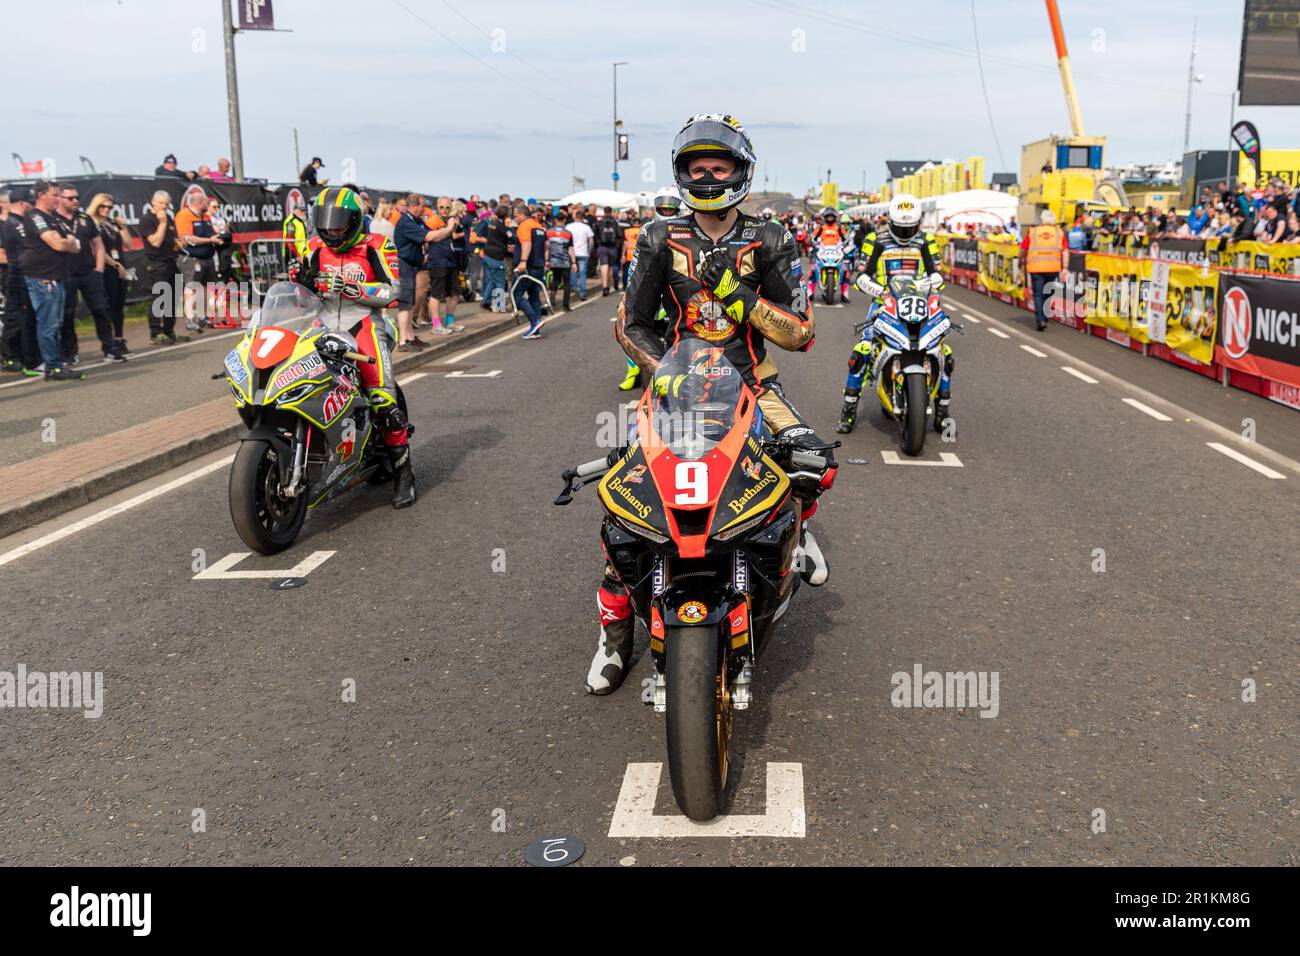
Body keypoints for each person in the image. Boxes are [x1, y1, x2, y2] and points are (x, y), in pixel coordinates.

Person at [590, 112, 836, 695]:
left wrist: (739, 295)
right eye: (696, 167)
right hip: (673, 388)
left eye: (717, 166)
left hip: (753, 382)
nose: (706, 175)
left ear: (739, 172)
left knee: (813, 463)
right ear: (681, 174)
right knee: (629, 510)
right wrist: (664, 373)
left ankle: (796, 531)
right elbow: (633, 324)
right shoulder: (656, 237)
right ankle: (613, 638)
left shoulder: (772, 239)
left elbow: (800, 333)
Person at [292, 187, 414, 508]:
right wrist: (300, 280)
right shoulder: (314, 245)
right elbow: (301, 293)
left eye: (339, 223)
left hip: (365, 325)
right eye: (326, 222)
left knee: (382, 399)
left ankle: (404, 474)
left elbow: (393, 292)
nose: (332, 230)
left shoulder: (377, 244)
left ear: (356, 220)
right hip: (323, 324)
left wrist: (353, 288)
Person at [837, 192, 947, 433]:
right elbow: (861, 276)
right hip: (884, 303)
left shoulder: (927, 240)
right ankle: (848, 411)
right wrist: (882, 291)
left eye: (911, 228)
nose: (907, 234)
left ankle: (942, 411)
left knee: (942, 352)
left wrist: (931, 284)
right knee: (862, 353)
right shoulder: (875, 239)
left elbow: (936, 273)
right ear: (891, 222)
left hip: (920, 303)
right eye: (901, 228)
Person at [20, 182, 83, 380]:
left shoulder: (52, 218)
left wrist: (68, 243)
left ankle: (55, 363)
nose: (58, 199)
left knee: (55, 323)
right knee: (48, 324)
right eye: (54, 195)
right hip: (43, 278)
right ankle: (53, 367)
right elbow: (57, 243)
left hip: (56, 276)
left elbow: (74, 245)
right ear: (41, 195)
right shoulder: (36, 216)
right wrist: (68, 243)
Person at [57, 184, 124, 363]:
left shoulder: (85, 218)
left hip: (89, 272)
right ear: (60, 199)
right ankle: (70, 352)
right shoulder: (53, 220)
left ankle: (109, 349)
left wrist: (99, 270)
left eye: (77, 197)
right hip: (66, 274)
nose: (75, 201)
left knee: (101, 310)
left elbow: (98, 246)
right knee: (67, 314)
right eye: (70, 198)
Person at [1, 186, 40, 375]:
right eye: (30, 203)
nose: (32, 206)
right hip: (16, 277)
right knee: (17, 319)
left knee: (24, 319)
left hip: (24, 275)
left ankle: (24, 357)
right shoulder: (12, 224)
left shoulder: (20, 223)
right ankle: (13, 357)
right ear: (21, 203)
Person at [87, 193, 132, 356]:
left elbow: (129, 244)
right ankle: (110, 342)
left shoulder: (112, 223)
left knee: (119, 305)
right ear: (96, 206)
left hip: (119, 266)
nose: (106, 210)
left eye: (109, 207)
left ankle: (120, 339)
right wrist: (115, 264)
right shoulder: (92, 222)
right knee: (108, 305)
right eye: (103, 206)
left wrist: (123, 227)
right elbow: (96, 249)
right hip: (106, 267)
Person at [175, 190, 223, 333]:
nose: (208, 205)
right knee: (191, 287)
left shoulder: (205, 217)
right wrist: (210, 240)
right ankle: (190, 319)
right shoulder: (184, 215)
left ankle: (203, 316)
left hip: (207, 257)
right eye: (206, 203)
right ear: (199, 203)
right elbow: (188, 238)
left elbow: (212, 232)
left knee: (207, 288)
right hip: (192, 258)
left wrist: (220, 235)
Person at [1020, 209, 1067, 332]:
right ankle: (1044, 318)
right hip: (1053, 267)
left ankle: (1040, 319)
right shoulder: (1059, 232)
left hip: (1036, 267)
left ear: (1041, 219)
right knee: (1048, 293)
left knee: (1038, 294)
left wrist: (1020, 261)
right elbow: (1065, 251)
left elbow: (1023, 249)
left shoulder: (1033, 231)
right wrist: (1065, 268)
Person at [512, 203, 546, 338]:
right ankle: (535, 329)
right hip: (539, 265)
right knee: (534, 297)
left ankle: (534, 321)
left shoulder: (524, 226)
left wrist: (523, 261)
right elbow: (546, 245)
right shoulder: (539, 227)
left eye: (516, 216)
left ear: (521, 215)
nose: (515, 219)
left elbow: (527, 243)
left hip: (527, 267)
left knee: (516, 295)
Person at [808, 208, 851, 303]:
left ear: (835, 217)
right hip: (822, 250)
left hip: (836, 251)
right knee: (812, 269)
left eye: (832, 217)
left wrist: (846, 244)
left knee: (846, 271)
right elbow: (813, 237)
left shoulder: (839, 228)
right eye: (828, 217)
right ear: (825, 217)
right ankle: (810, 292)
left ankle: (844, 294)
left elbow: (845, 239)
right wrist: (813, 243)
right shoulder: (821, 227)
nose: (830, 218)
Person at [545, 210, 574, 312]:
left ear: (555, 220)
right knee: (567, 283)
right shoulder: (568, 233)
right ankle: (565, 305)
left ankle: (553, 292)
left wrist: (547, 261)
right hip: (565, 261)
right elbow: (571, 249)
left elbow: (547, 248)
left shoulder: (549, 232)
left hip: (553, 260)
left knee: (555, 279)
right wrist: (574, 262)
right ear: (564, 220)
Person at [566, 206, 594, 302]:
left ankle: (574, 287)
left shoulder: (568, 226)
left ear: (574, 217)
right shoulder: (586, 227)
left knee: (573, 271)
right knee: (582, 273)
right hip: (583, 252)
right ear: (583, 218)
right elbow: (591, 241)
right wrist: (589, 251)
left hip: (572, 252)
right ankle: (582, 293)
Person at [594, 205, 622, 295]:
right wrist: (617, 246)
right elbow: (619, 235)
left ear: (604, 212)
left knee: (603, 266)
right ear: (611, 211)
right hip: (612, 247)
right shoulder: (615, 222)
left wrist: (597, 244)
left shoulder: (599, 222)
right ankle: (608, 287)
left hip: (602, 247)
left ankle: (604, 287)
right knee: (610, 267)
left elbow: (595, 234)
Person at [281, 200, 309, 270]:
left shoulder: (299, 220)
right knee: (293, 277)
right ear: (295, 210)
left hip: (301, 255)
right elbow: (289, 241)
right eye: (301, 210)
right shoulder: (291, 221)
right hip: (292, 255)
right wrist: (297, 256)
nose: (304, 213)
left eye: (304, 210)